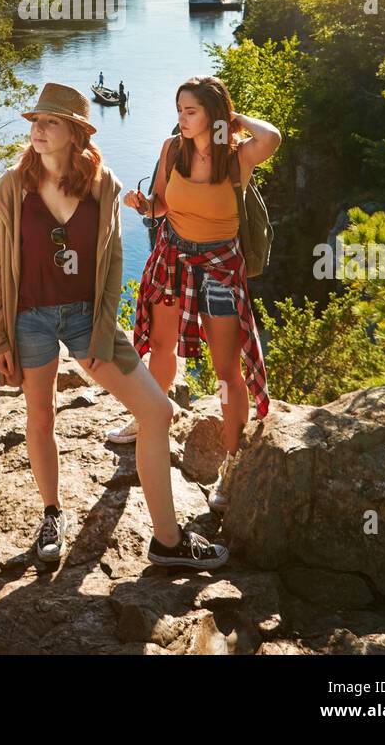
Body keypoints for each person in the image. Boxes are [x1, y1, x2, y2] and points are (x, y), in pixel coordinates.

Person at [0, 82, 228, 570]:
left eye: (50, 122)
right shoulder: (12, 185)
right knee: (40, 418)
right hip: (29, 316)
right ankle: (51, 514)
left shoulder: (103, 185)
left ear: (75, 133)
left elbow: (112, 265)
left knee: (157, 413)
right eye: (35, 120)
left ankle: (166, 542)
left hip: (84, 317)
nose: (37, 129)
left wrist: (100, 333)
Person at [116, 76, 281, 512]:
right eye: (179, 111)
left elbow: (273, 137)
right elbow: (161, 205)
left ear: (213, 114)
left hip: (220, 268)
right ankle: (146, 421)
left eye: (191, 111)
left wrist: (235, 119)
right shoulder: (173, 150)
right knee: (162, 348)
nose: (181, 120)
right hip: (173, 257)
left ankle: (231, 462)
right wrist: (142, 205)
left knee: (227, 371)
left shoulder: (237, 158)